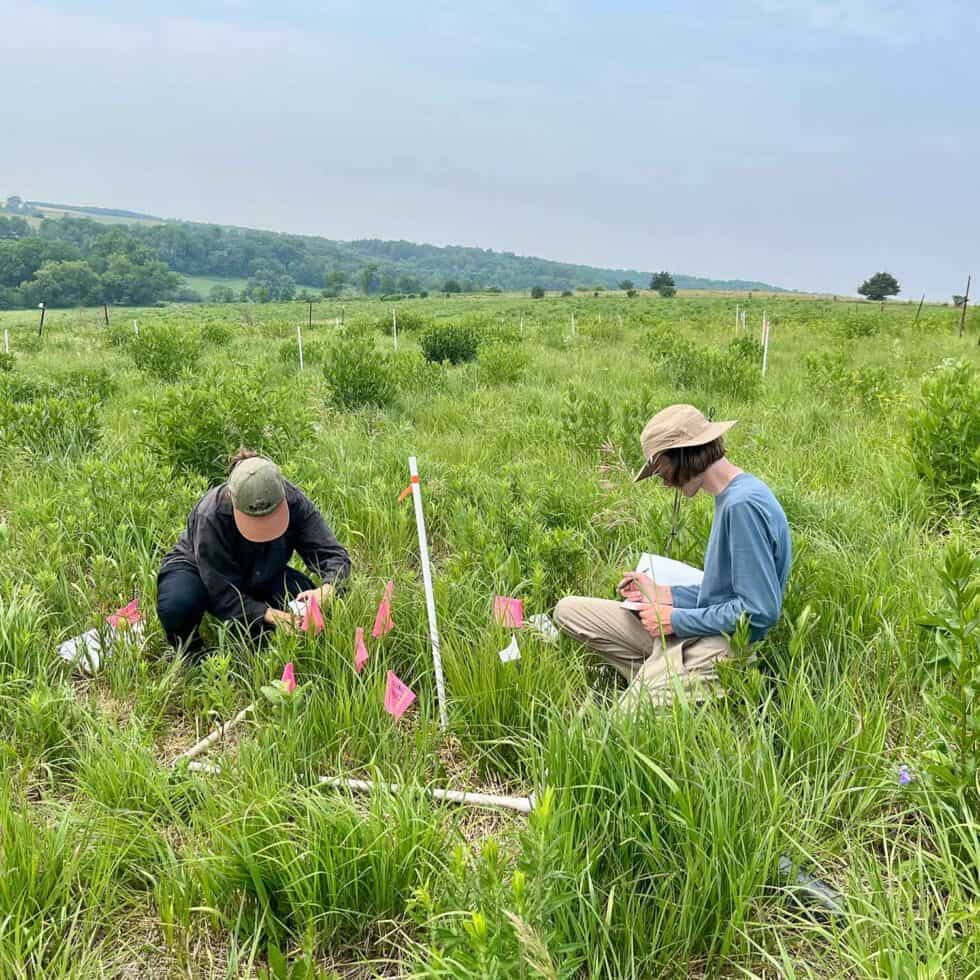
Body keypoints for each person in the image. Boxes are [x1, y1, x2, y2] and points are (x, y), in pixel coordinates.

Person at [554, 404, 791, 709]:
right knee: (568, 611)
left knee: (613, 732)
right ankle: (660, 680)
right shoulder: (731, 496)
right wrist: (664, 594)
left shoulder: (741, 506)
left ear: (684, 454)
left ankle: (664, 687)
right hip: (698, 627)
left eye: (661, 469)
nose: (665, 482)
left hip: (722, 645)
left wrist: (674, 620)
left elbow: (759, 611)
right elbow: (725, 591)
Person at [157, 450, 351, 658]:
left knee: (305, 598)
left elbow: (333, 555)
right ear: (233, 501)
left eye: (271, 519)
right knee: (178, 604)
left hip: (262, 571)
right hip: (201, 572)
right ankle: (191, 654)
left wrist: (329, 588)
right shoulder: (211, 515)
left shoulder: (295, 501)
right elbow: (220, 591)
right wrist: (269, 614)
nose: (264, 530)